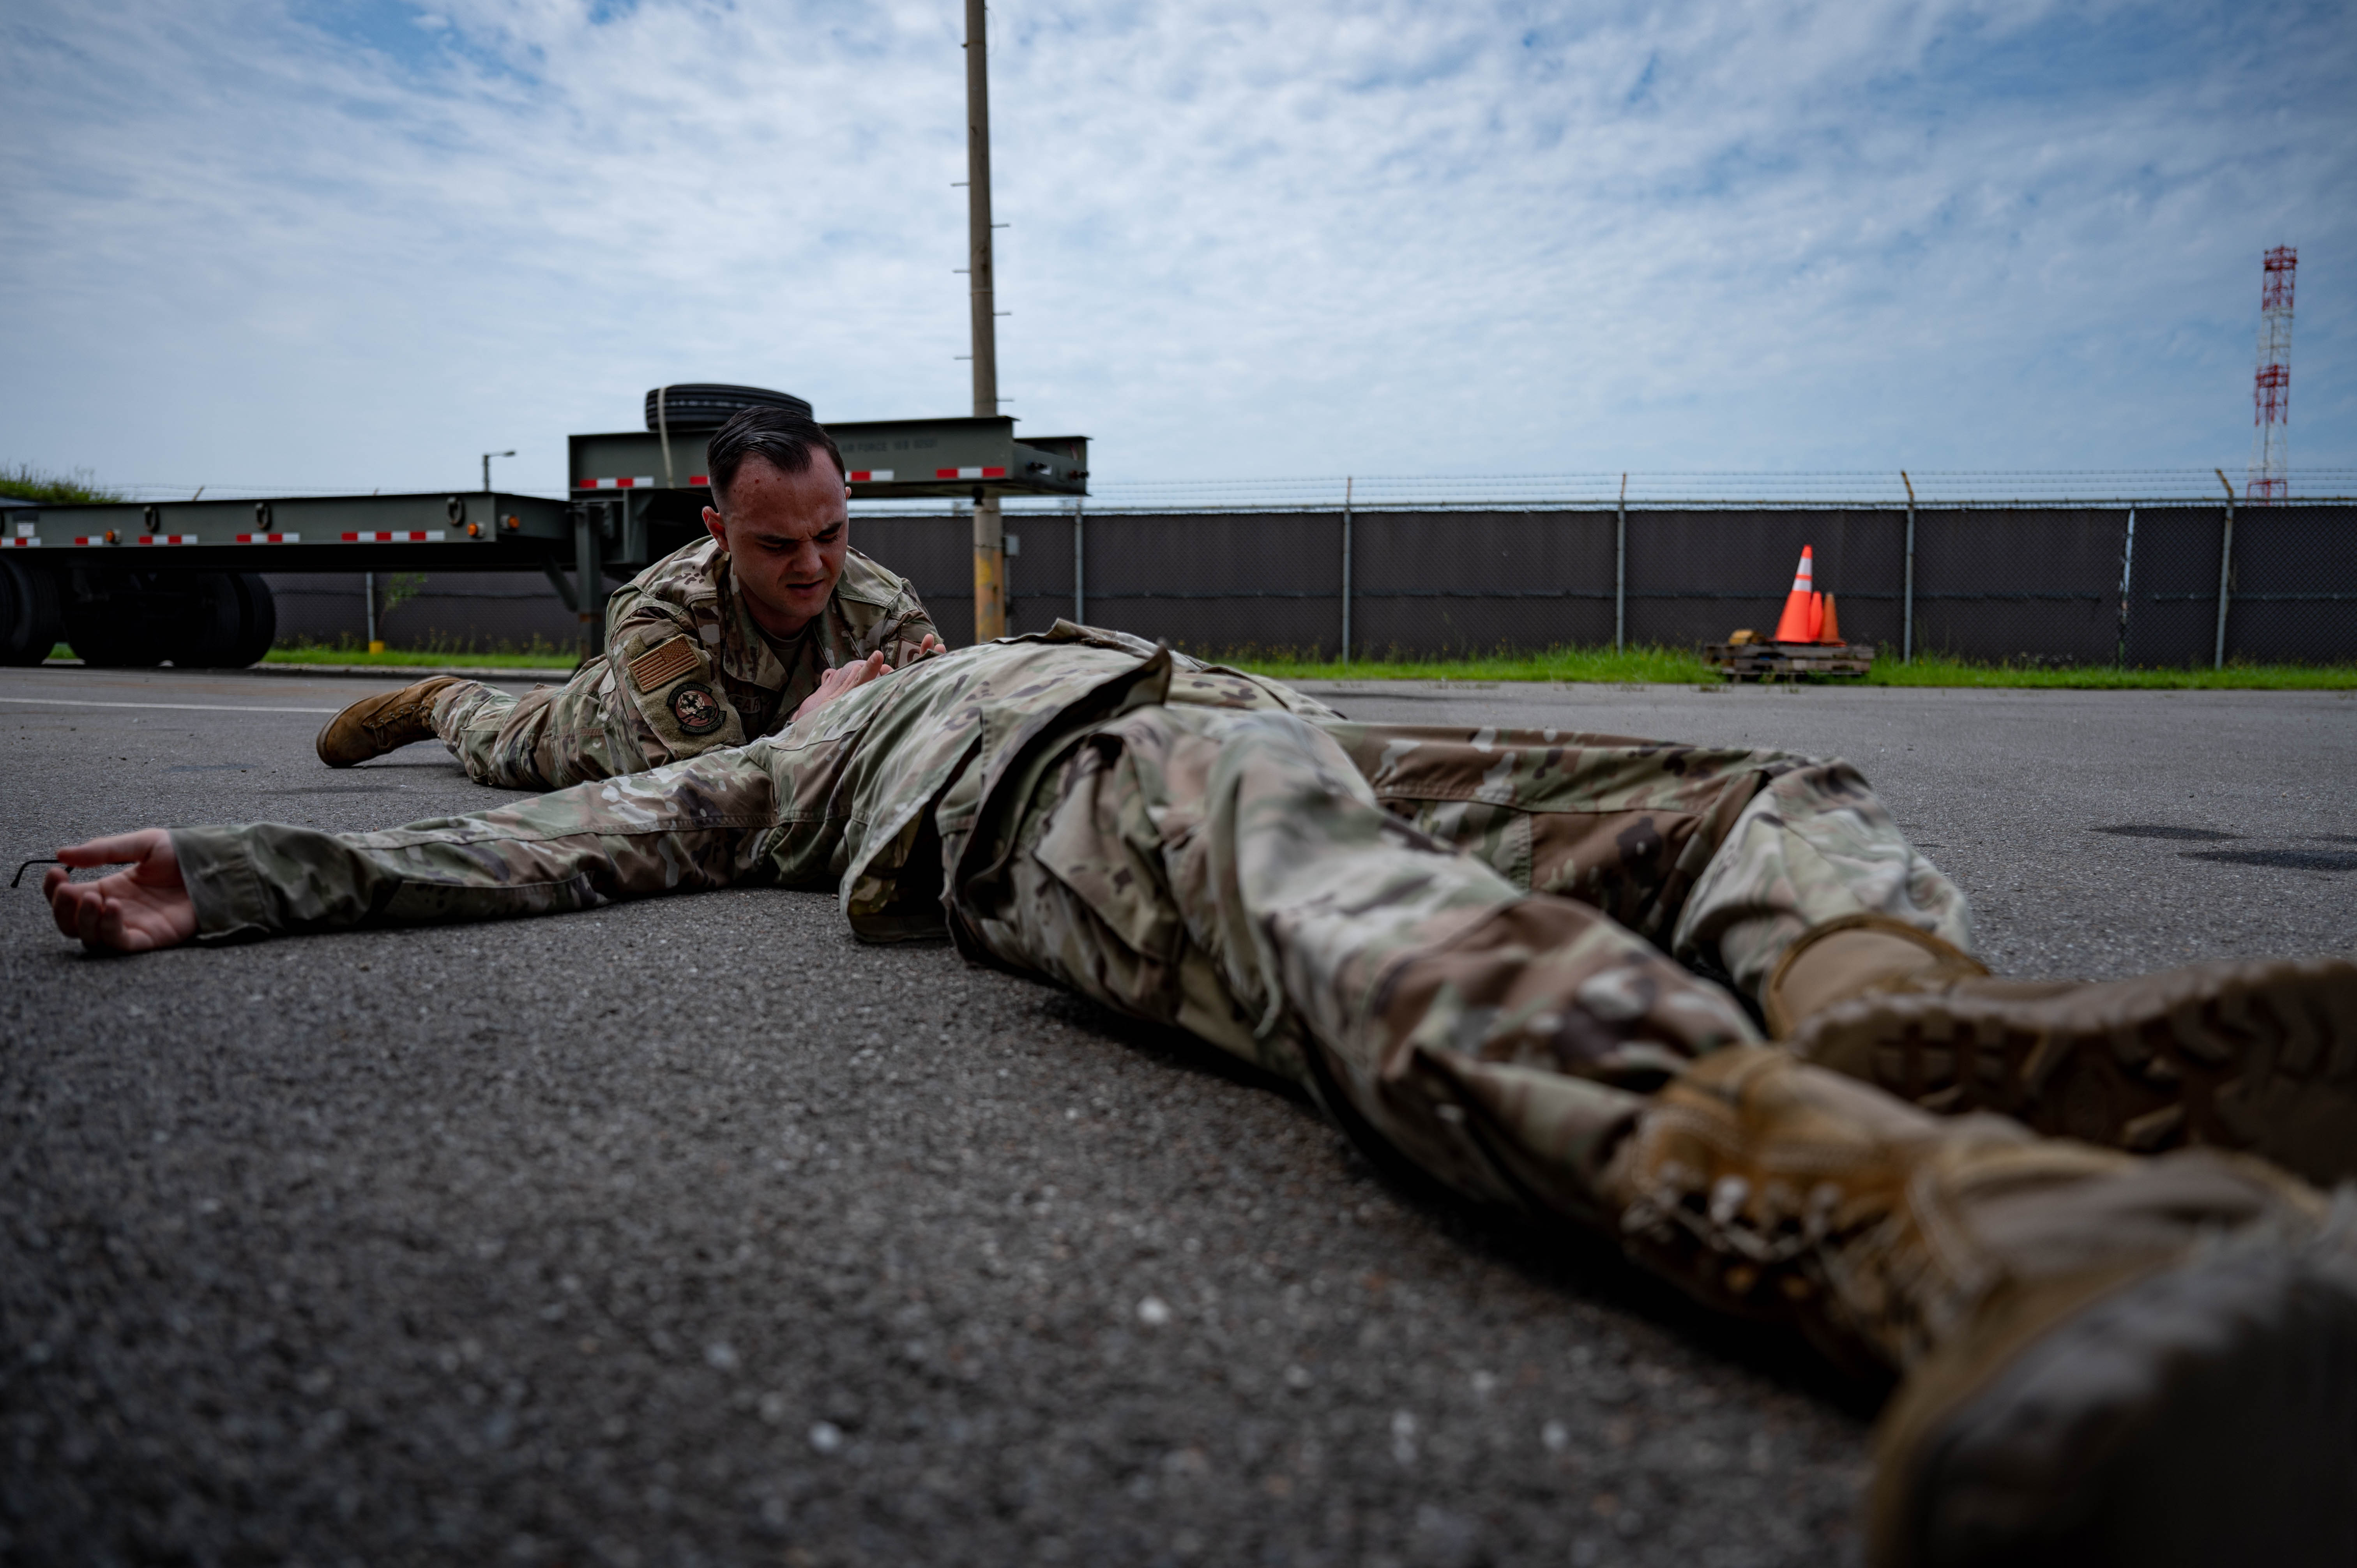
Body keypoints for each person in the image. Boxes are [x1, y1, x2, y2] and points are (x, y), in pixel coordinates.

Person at [42, 624, 2357, 1566]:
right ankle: (1961, 1221)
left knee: (1740, 778)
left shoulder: (1037, 616)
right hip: (1098, 803)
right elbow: (586, 823)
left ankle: (1879, 1007)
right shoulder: (832, 727)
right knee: (1369, 929)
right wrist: (265, 867)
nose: (858, 617)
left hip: (1287, 720)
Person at [312, 406, 942, 789]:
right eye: (778, 545)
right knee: (493, 749)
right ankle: (441, 700)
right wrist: (816, 729)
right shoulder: (659, 613)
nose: (813, 565)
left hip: (753, 738)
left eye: (830, 534)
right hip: (598, 732)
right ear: (719, 532)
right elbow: (709, 789)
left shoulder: (884, 608)